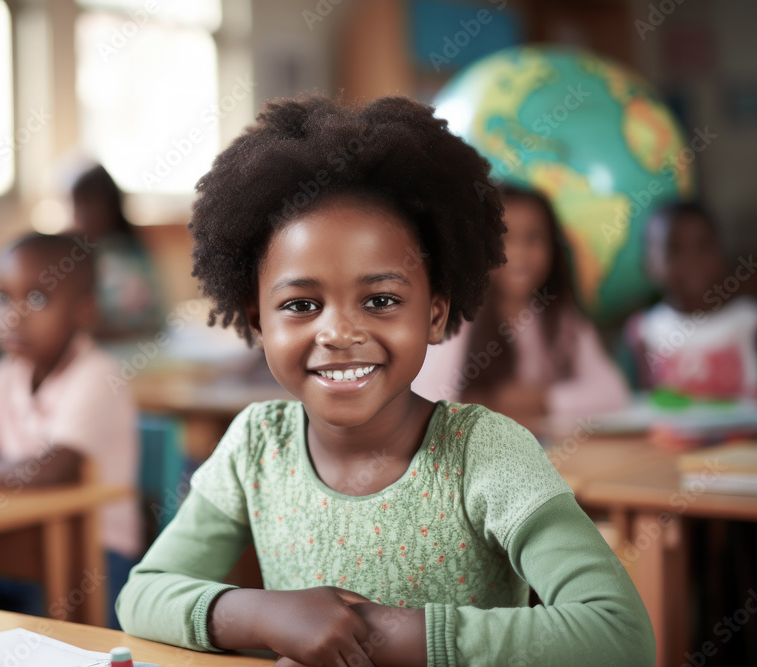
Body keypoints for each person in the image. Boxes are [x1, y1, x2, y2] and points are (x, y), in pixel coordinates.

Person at [115, 96, 654, 666]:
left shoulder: (485, 453)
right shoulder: (256, 446)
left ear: (436, 315)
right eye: (301, 304)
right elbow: (142, 595)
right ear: (257, 322)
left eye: (380, 300)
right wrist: (269, 615)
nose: (340, 332)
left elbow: (619, 635)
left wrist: (380, 634)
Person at [0, 232, 142, 627]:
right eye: (2, 297)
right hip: (14, 544)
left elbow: (49, 471)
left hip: (94, 555)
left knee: (40, 641)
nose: (13, 315)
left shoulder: (98, 375)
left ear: (84, 312)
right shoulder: (2, 376)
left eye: (38, 299)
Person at [411, 186, 630, 431]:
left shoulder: (563, 318)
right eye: (503, 239)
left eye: (534, 239)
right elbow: (427, 398)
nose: (519, 254)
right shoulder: (458, 319)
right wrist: (489, 405)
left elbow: (613, 392)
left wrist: (543, 399)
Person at [624, 201, 757, 399]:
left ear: (721, 252)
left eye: (703, 247)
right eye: (675, 250)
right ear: (649, 265)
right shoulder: (644, 331)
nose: (691, 261)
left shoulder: (749, 320)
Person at [69, 165, 165, 341]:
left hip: (134, 341)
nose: (82, 216)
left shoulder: (121, 253)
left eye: (91, 207)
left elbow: (142, 322)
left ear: (111, 209)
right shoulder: (76, 249)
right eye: (78, 206)